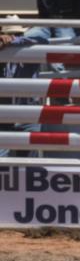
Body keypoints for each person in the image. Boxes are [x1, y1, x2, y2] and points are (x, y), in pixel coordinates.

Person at [0, 16, 48, 157]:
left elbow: (42, 41)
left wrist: (13, 41)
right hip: (4, 115)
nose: (14, 37)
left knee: (29, 161)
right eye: (11, 34)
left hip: (28, 114)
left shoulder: (31, 46)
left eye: (18, 34)